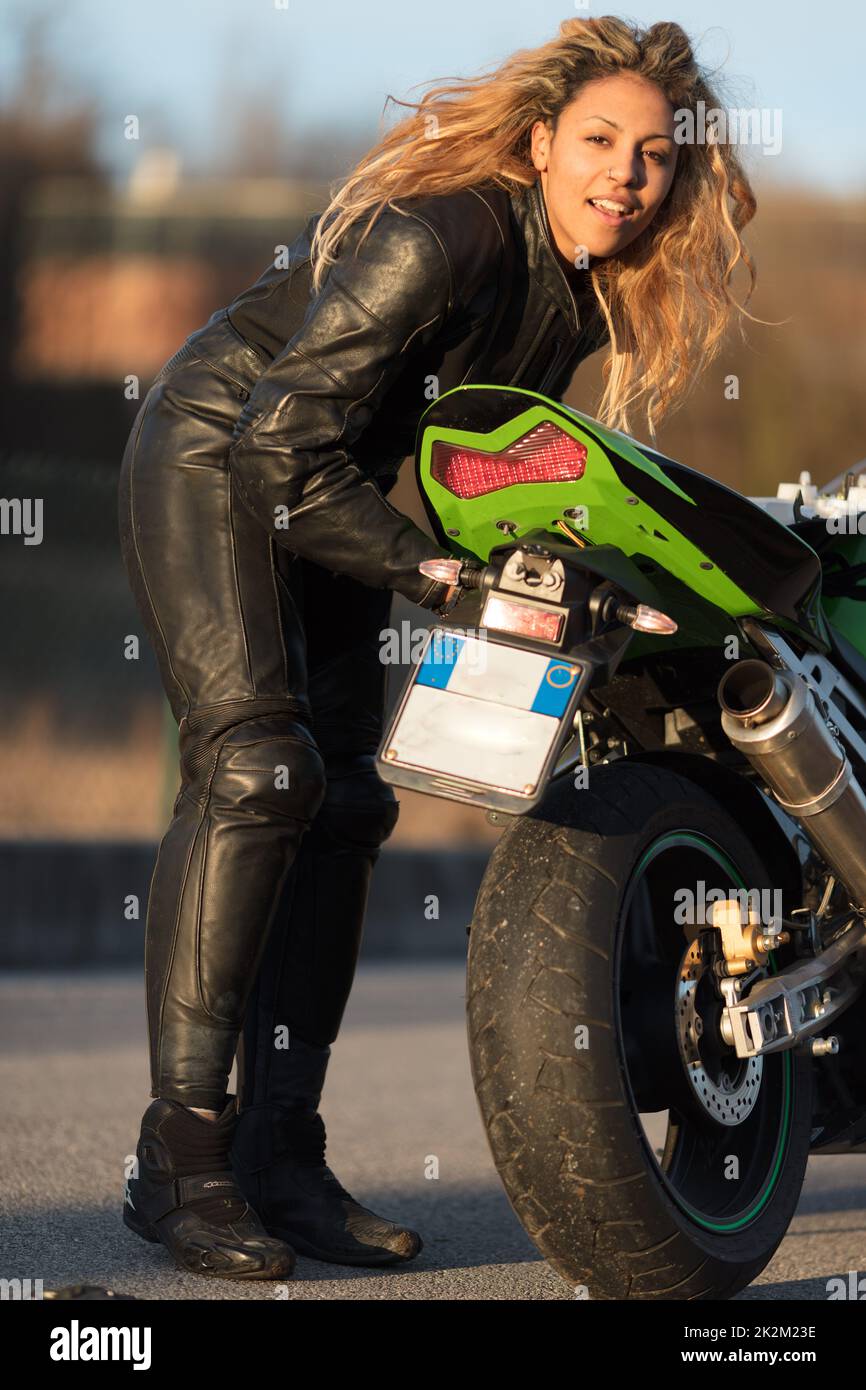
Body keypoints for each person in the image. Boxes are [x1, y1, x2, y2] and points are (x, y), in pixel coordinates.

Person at [118, 14, 757, 1280]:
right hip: (219, 455)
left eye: (651, 157)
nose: (624, 176)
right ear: (537, 142)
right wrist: (427, 572)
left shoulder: (574, 301)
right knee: (260, 769)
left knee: (349, 801)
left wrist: (566, 586)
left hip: (334, 490)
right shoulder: (440, 234)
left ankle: (278, 1159)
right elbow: (273, 441)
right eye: (597, 142)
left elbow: (485, 472)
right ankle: (181, 1162)